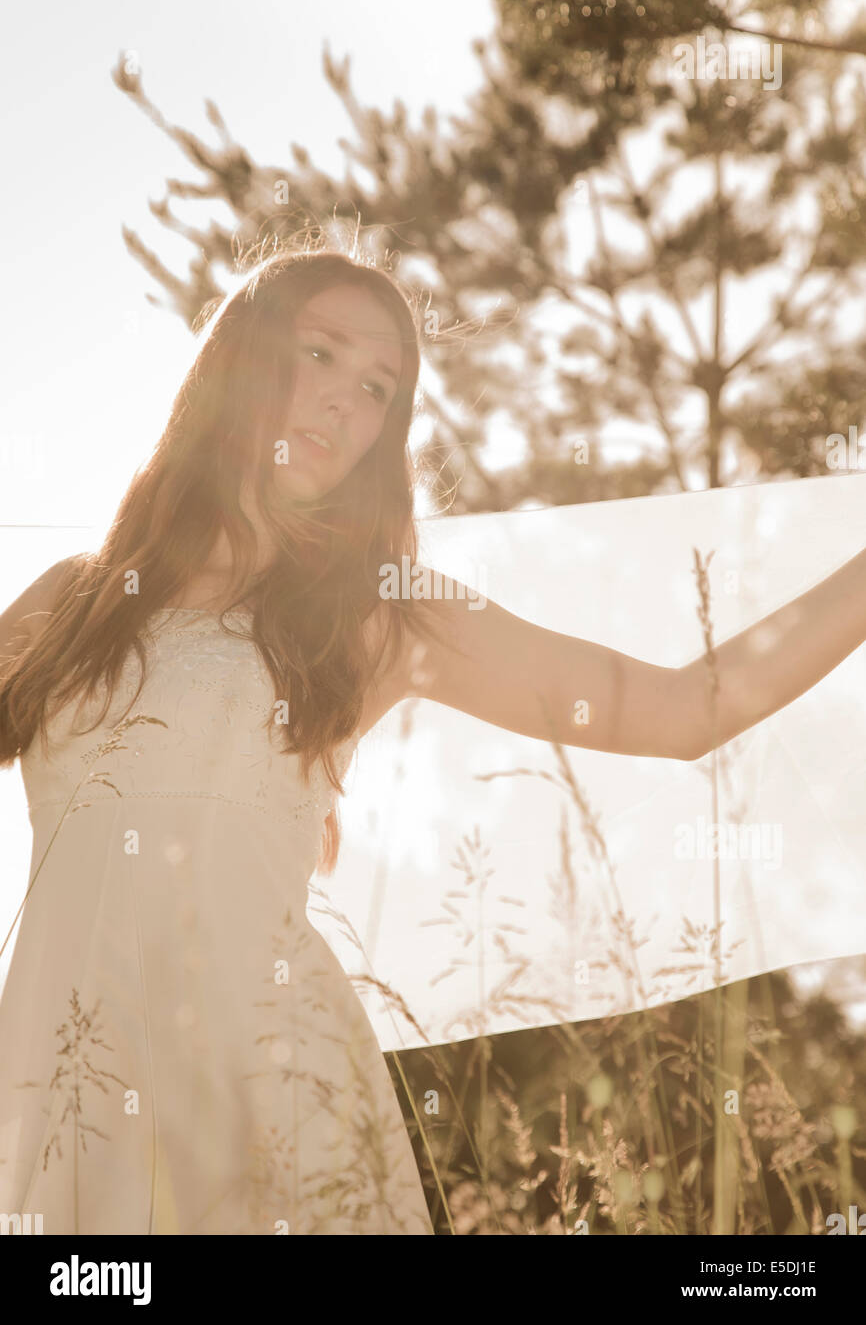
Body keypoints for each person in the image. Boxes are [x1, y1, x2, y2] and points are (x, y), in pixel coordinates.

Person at [1, 246, 865, 1236]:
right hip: (66, 1086)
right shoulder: (76, 600)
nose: (343, 402)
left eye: (376, 387)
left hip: (271, 1089)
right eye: (317, 354)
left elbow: (685, 706)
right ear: (233, 364)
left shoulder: (378, 618)